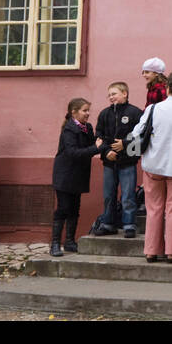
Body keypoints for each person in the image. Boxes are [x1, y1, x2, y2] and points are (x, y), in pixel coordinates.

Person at [127, 70, 172, 263]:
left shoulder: (153, 109)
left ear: (167, 88)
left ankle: (151, 250)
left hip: (153, 164)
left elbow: (137, 132)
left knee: (154, 208)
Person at [51, 97, 115, 256]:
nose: (88, 113)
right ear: (74, 112)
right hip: (65, 175)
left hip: (78, 175)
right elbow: (74, 153)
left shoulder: (87, 127)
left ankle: (70, 242)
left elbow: (94, 144)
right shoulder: (69, 130)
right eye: (84, 110)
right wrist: (96, 148)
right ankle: (55, 244)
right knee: (63, 209)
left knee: (74, 208)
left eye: (88, 110)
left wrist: (106, 146)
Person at [93, 81, 142, 238]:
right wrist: (106, 151)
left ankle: (129, 225)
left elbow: (141, 136)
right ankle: (108, 223)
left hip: (127, 162)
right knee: (109, 194)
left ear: (125, 93)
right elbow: (99, 136)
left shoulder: (135, 113)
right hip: (109, 162)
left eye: (114, 94)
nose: (110, 97)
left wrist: (125, 145)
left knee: (128, 195)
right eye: (109, 95)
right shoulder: (104, 114)